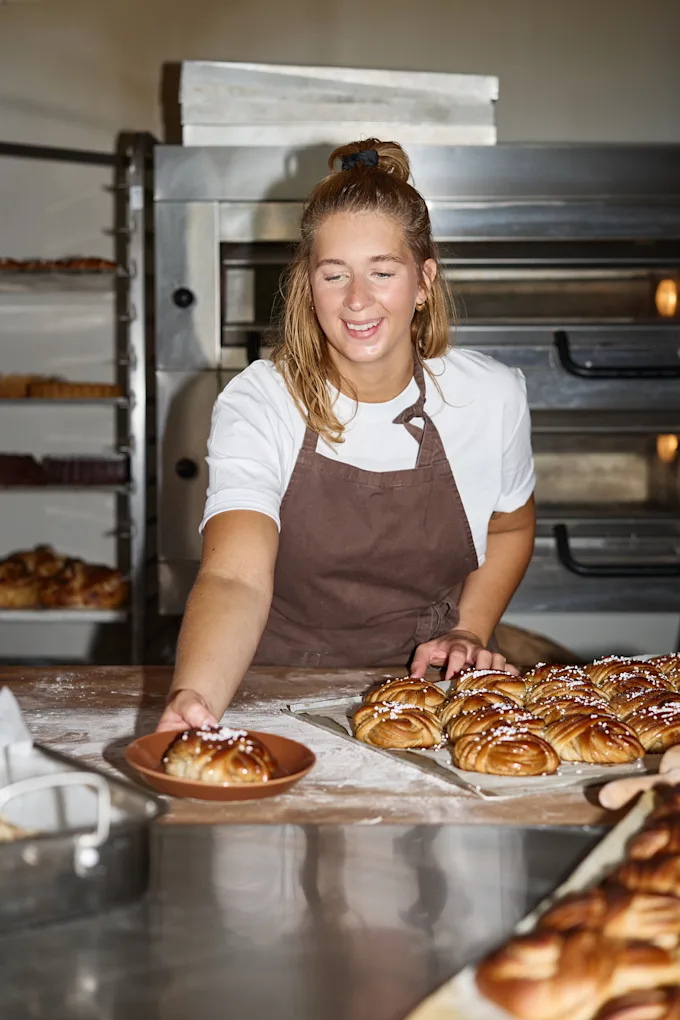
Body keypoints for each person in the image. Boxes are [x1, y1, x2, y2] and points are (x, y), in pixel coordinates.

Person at [157, 139, 536, 733]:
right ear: (309, 286)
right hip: (270, 692)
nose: (358, 300)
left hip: (427, 702)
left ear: (423, 281)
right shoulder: (263, 400)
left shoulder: (491, 397)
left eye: (382, 272)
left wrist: (469, 628)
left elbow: (511, 525)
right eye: (334, 275)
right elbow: (234, 575)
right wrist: (195, 696)